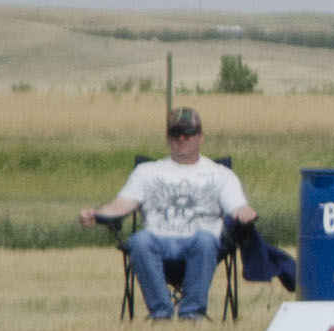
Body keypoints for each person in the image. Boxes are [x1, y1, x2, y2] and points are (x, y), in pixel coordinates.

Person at [87, 108, 252, 319]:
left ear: (201, 136)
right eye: (175, 133)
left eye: (188, 133)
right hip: (157, 241)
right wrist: (97, 214)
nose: (182, 138)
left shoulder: (221, 175)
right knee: (139, 240)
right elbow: (122, 204)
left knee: (205, 240)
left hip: (200, 243)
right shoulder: (147, 171)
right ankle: (160, 314)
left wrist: (244, 212)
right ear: (168, 138)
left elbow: (237, 207)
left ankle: (192, 315)